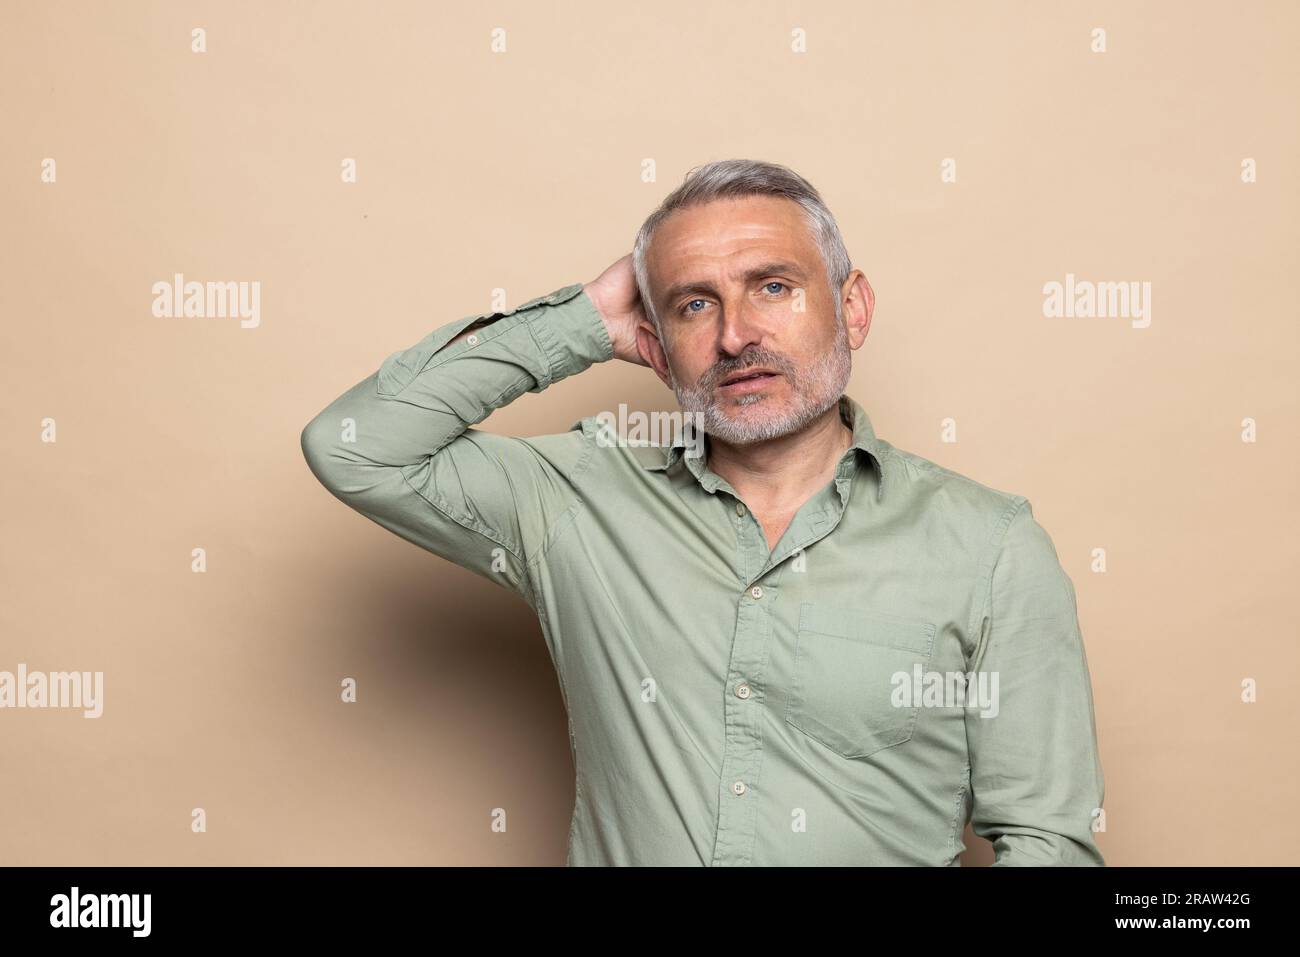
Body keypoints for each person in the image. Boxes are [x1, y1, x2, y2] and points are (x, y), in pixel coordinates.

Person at [300, 159, 1106, 866]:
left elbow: (1047, 841)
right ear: (653, 347)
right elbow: (354, 445)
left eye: (774, 287)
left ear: (852, 309)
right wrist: (581, 318)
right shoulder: (576, 500)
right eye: (693, 306)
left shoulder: (991, 545)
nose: (736, 336)